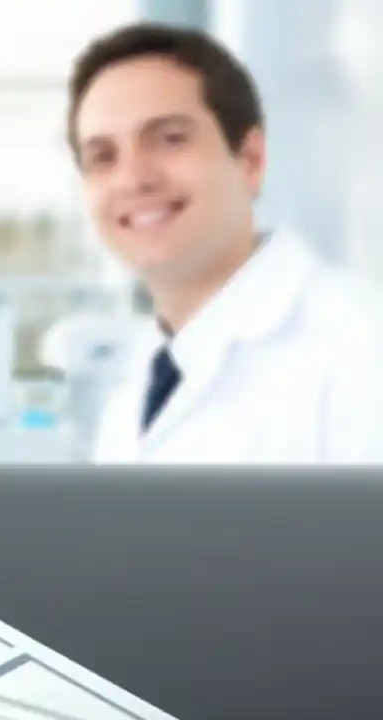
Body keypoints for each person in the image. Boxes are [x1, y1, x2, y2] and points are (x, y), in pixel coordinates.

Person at [68, 23, 383, 463]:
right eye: (103, 156)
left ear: (250, 160)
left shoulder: (362, 350)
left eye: (170, 139)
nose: (133, 178)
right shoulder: (135, 389)